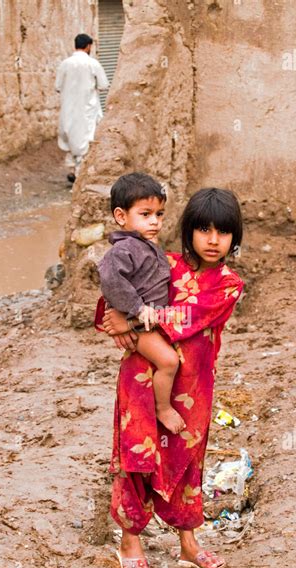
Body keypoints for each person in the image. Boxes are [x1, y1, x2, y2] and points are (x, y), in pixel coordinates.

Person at [95, 187, 245, 568]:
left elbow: (186, 317)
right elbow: (113, 294)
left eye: (224, 233)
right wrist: (115, 316)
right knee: (136, 459)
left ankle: (188, 543)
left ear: (235, 238)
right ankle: (130, 541)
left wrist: (130, 320)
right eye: (204, 230)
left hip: (192, 388)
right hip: (140, 380)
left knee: (186, 461)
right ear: (188, 232)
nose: (213, 240)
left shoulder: (229, 284)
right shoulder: (164, 263)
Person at [97, 173, 186, 435]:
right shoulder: (124, 250)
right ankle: (163, 408)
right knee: (169, 362)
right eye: (145, 214)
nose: (155, 222)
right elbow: (110, 279)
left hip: (150, 321)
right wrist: (136, 308)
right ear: (121, 216)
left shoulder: (144, 244)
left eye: (159, 214)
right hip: (141, 326)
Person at [55, 33, 109, 183]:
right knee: (84, 140)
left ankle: (72, 169)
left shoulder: (65, 64)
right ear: (88, 46)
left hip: (68, 109)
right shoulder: (93, 64)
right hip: (87, 110)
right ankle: (79, 175)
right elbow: (104, 85)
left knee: (70, 138)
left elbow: (58, 86)